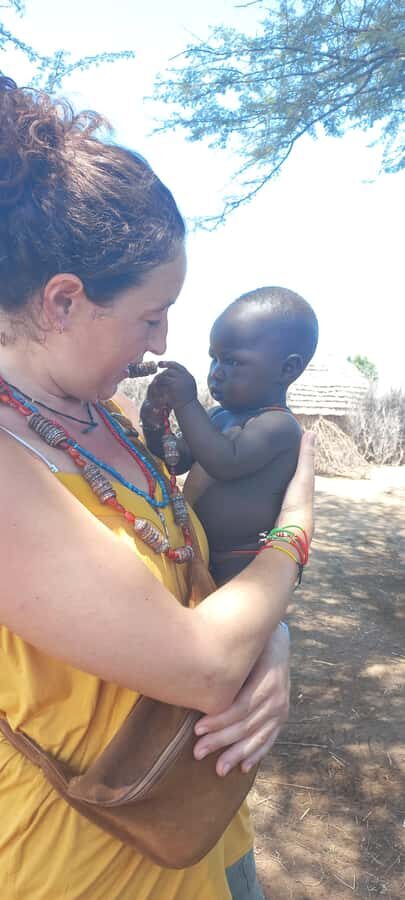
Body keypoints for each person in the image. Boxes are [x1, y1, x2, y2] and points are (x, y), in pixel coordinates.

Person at [0, 74, 314, 900]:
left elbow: (193, 586)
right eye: (150, 315)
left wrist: (270, 648)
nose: (165, 339)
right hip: (83, 864)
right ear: (64, 301)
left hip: (207, 828)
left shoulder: (109, 423)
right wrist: (295, 531)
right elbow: (202, 662)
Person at [141, 288, 318, 584]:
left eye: (233, 362)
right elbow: (178, 458)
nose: (217, 373)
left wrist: (186, 404)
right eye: (215, 359)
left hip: (242, 561)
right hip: (196, 549)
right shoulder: (217, 416)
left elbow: (225, 461)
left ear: (287, 369)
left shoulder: (279, 426)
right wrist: (154, 421)